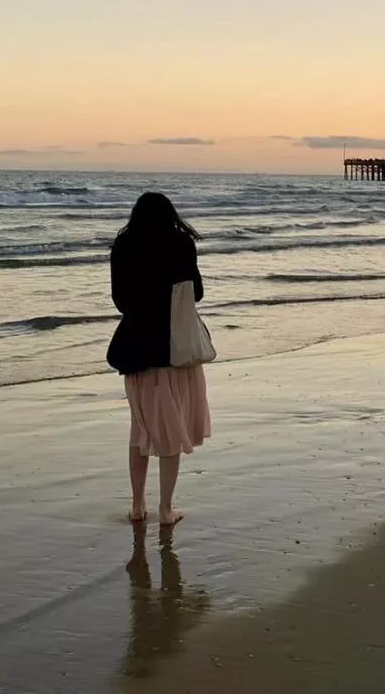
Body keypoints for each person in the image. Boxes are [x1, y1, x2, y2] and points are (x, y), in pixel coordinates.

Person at [106, 192, 212, 525]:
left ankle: (138, 505)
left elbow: (120, 302)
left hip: (135, 347)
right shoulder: (180, 244)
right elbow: (195, 293)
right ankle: (166, 510)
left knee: (141, 430)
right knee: (169, 432)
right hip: (172, 348)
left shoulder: (123, 245)